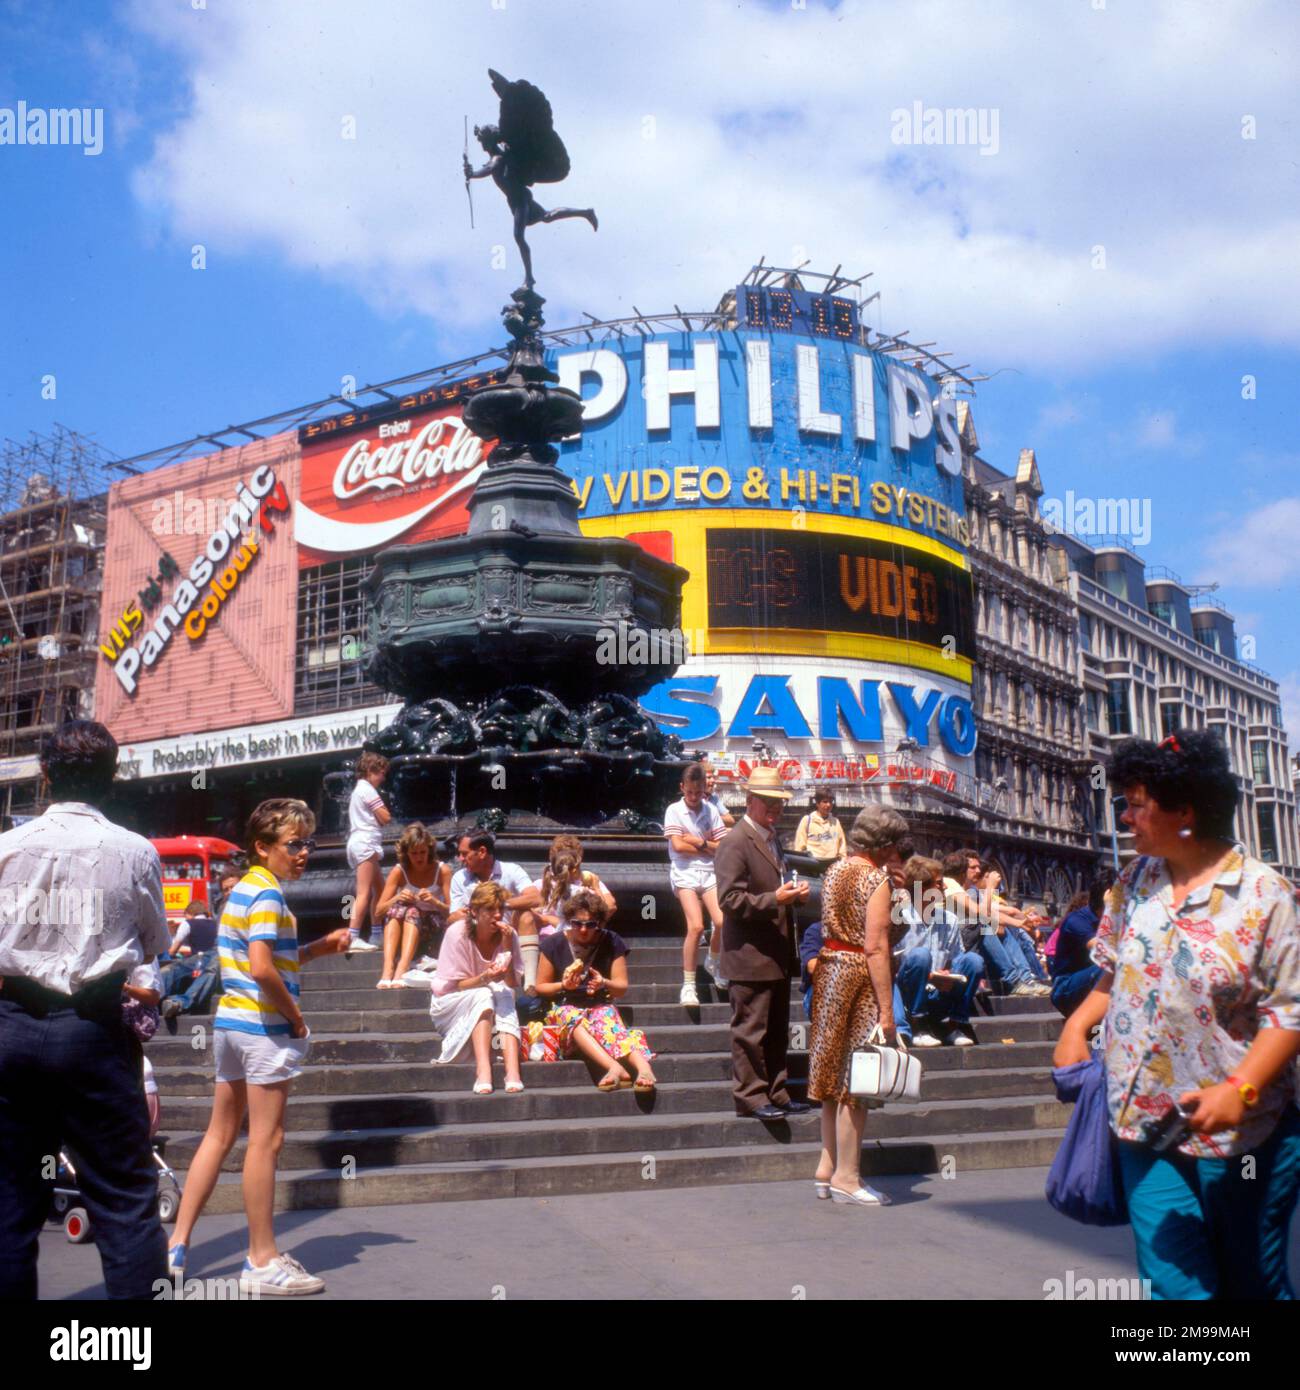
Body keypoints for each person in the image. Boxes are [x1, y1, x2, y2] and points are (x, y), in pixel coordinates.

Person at [1054, 730, 1300, 1300]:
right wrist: (1077, 1024)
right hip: (1143, 1124)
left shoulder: (1266, 896)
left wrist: (1237, 1090)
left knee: (1251, 1285)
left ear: (1185, 811)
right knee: (1175, 1288)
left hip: (1245, 1136)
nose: (1125, 818)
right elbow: (1115, 974)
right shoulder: (1133, 883)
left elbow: (1289, 1013)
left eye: (1137, 805)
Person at [0, 719, 171, 1301]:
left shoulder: (5, 849)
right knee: (124, 1205)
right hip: (94, 1032)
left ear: (46, 778)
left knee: (10, 1205)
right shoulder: (135, 851)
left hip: (11, 1030)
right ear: (111, 778)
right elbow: (152, 943)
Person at [166, 799, 351, 1296]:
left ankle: (177, 1243)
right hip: (263, 1027)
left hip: (230, 1024)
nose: (305, 852)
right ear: (262, 847)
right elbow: (264, 969)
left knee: (218, 1134)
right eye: (294, 844)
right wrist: (297, 1019)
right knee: (265, 1141)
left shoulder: (243, 892)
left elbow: (270, 961)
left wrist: (318, 948)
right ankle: (261, 1258)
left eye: (308, 842)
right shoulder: (268, 893)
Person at [807, 806, 911, 1206]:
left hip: (830, 972)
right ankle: (848, 1177)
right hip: (858, 976)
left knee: (831, 1075)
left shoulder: (834, 870)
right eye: (894, 845)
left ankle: (826, 1167)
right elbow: (878, 944)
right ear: (884, 845)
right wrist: (887, 1010)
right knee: (858, 1080)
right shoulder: (875, 879)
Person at [715, 767, 812, 1120]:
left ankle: (776, 1092)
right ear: (750, 800)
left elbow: (775, 888)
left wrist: (793, 896)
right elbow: (729, 901)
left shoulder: (771, 837)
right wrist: (777, 899)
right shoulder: (734, 841)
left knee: (774, 1031)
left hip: (776, 954)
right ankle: (752, 1097)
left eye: (780, 803)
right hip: (749, 956)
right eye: (769, 802)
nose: (776, 809)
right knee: (751, 1031)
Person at [534, 890, 657, 1091]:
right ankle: (614, 1067)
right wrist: (564, 986)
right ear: (568, 921)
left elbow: (621, 987)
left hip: (598, 1003)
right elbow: (541, 987)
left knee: (606, 1018)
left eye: (590, 924)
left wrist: (604, 983)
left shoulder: (611, 941)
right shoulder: (553, 944)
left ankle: (643, 1068)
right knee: (570, 1016)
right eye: (577, 923)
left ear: (599, 924)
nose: (583, 929)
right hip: (565, 1006)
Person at [428, 880, 526, 1095]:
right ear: (474, 911)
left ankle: (512, 1071)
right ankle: (483, 1071)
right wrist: (485, 977)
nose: (498, 915)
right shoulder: (457, 933)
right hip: (451, 998)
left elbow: (511, 983)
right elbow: (456, 985)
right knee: (483, 993)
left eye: (501, 908)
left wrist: (508, 947)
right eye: (490, 909)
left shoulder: (509, 935)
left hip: (492, 994)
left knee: (505, 993)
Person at [893, 855, 985, 1047]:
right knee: (920, 955)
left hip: (939, 991)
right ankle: (919, 1026)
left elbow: (955, 960)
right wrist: (929, 976)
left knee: (973, 960)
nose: (944, 888)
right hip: (909, 991)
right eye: (939, 883)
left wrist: (948, 975)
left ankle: (954, 1025)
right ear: (922, 887)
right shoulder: (900, 916)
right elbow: (893, 967)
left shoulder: (949, 919)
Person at [942, 850, 1048, 998]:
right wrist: (991, 887)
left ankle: (1025, 980)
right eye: (973, 867)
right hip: (952, 944)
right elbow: (982, 914)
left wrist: (1019, 923)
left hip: (962, 940)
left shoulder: (964, 890)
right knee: (985, 927)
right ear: (961, 869)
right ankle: (1015, 981)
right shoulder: (951, 884)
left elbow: (992, 913)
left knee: (997, 927)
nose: (978, 871)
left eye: (979, 867)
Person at [665, 762, 729, 1006]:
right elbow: (678, 846)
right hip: (684, 872)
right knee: (696, 927)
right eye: (689, 792)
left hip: (709, 871)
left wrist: (697, 842)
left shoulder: (711, 810)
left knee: (722, 921)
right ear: (682, 788)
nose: (693, 797)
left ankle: (713, 960)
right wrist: (706, 845)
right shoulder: (673, 810)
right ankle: (689, 985)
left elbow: (722, 847)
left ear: (705, 790)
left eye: (698, 792)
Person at [448, 830, 541, 984]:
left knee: (526, 916)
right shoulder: (459, 878)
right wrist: (474, 914)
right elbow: (452, 918)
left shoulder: (511, 870)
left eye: (465, 854)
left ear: (482, 852)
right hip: (478, 936)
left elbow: (536, 898)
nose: (460, 859)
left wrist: (498, 905)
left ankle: (529, 984)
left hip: (508, 935)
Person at [374, 823, 451, 989]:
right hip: (407, 927)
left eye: (422, 852)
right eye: (414, 853)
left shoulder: (442, 870)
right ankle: (388, 969)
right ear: (406, 853)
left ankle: (401, 968)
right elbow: (378, 912)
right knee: (399, 908)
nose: (419, 858)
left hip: (434, 928)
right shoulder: (399, 871)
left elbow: (453, 913)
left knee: (411, 911)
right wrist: (397, 897)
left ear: (429, 850)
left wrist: (434, 901)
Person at [345, 751, 391, 952]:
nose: (383, 778)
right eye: (381, 773)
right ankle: (352, 937)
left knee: (381, 891)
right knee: (363, 893)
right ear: (371, 771)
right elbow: (386, 817)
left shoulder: (358, 790)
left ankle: (376, 934)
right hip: (366, 843)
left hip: (362, 843)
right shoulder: (368, 790)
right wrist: (382, 815)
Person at [1048, 878, 1109, 1018]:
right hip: (1066, 986)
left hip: (1085, 980)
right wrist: (990, 890)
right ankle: (1016, 976)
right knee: (1109, 966)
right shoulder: (1076, 920)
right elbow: (992, 929)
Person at [533, 833, 616, 934]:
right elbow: (608, 908)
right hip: (577, 936)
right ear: (578, 860)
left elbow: (610, 907)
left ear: (551, 857)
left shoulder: (587, 882)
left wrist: (549, 919)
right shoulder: (586, 886)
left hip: (558, 937)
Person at [159, 899, 221, 1022]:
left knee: (171, 969)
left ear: (189, 913)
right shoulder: (215, 924)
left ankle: (156, 997)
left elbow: (173, 950)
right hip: (214, 959)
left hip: (198, 960)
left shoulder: (188, 923)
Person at [793, 789, 847, 862]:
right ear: (817, 804)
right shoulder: (807, 820)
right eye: (825, 802)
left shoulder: (836, 822)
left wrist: (843, 862)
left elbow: (842, 847)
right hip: (813, 865)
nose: (828, 805)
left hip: (831, 865)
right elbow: (799, 847)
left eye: (831, 802)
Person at [703, 762, 736, 828]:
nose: (713, 780)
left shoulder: (713, 797)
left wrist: (712, 817)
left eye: (713, 777)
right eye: (709, 777)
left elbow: (730, 821)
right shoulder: (694, 799)